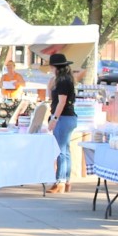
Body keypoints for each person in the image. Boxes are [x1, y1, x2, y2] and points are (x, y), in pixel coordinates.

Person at [46, 53, 79, 194]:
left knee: (61, 150)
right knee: (65, 150)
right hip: (68, 117)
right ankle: (66, 180)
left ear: (55, 67)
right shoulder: (65, 80)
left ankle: (60, 180)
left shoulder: (62, 81)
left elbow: (61, 102)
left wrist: (54, 119)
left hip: (63, 117)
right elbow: (52, 97)